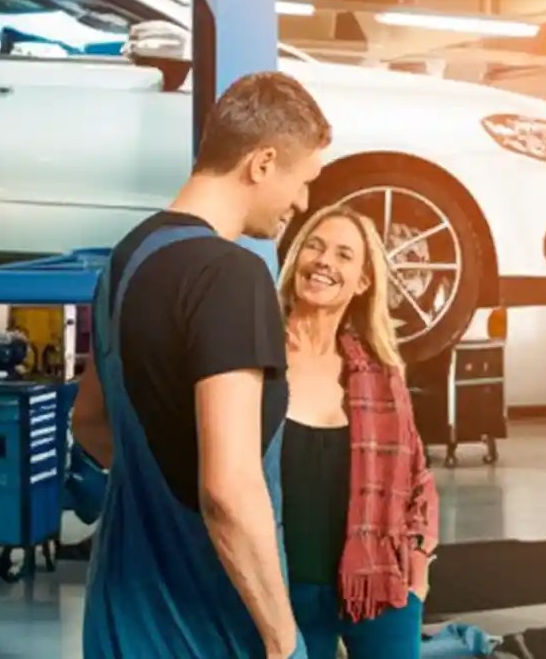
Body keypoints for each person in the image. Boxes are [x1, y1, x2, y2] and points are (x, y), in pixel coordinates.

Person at [74, 70, 333, 659]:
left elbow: (88, 421)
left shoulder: (125, 260)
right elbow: (229, 490)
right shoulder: (231, 275)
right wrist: (283, 640)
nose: (301, 202)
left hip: (118, 619)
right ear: (262, 163)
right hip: (206, 627)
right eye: (303, 181)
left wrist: (158, 502)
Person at [276, 205, 440, 659]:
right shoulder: (257, 356)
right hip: (282, 590)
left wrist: (419, 568)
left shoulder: (380, 372)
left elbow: (418, 477)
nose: (324, 261)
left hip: (378, 582)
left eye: (343, 255)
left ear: (363, 281)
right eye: (314, 246)